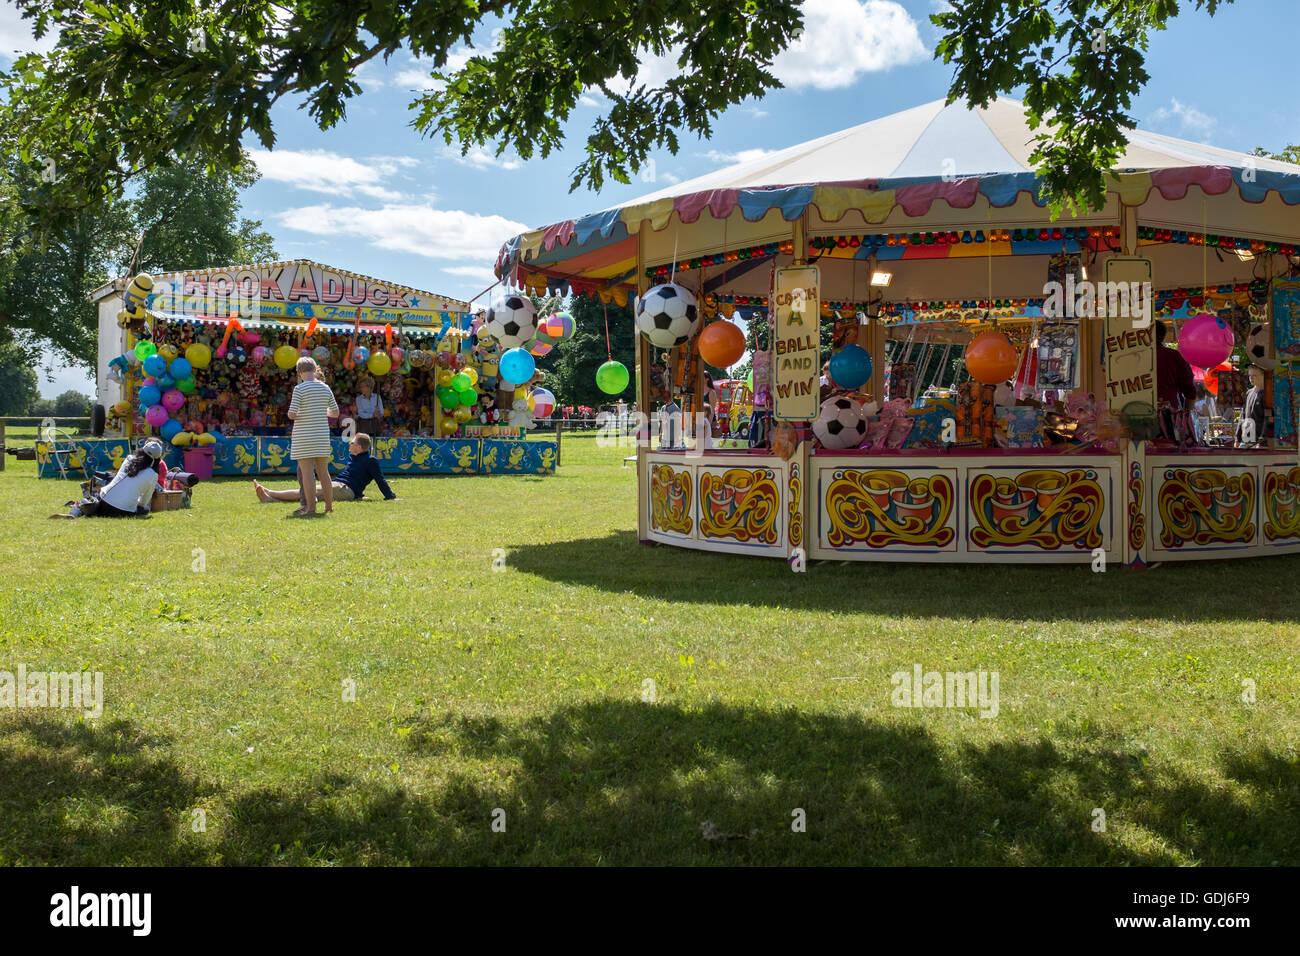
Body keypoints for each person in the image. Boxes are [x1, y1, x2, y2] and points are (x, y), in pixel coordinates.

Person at [254, 433, 396, 504]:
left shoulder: (370, 460)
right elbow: (357, 477)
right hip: (341, 486)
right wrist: (359, 495)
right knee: (308, 490)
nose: (349, 444)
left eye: (352, 443)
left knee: (308, 490)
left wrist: (390, 497)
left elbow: (380, 480)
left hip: (344, 488)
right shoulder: (355, 457)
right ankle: (271, 498)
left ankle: (270, 494)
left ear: (359, 447)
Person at [51, 439, 165, 518]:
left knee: (91, 501)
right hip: (125, 511)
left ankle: (74, 513)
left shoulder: (129, 459)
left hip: (105, 501)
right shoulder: (153, 475)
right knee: (145, 509)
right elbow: (145, 500)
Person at [287, 356, 339, 516]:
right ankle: (329, 507)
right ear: (315, 369)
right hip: (321, 434)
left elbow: (292, 414)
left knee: (307, 474)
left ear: (300, 371)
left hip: (304, 436)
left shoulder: (299, 389)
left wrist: (304, 413)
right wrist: (321, 411)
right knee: (324, 472)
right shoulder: (325, 387)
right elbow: (335, 413)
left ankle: (310, 508)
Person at [1155, 321, 1196, 445]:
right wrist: (1186, 417)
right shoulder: (1174, 356)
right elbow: (1190, 391)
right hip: (1166, 420)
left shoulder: (1129, 357)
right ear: (1162, 337)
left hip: (1132, 419)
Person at [1236, 365, 1269, 448]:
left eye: (1254, 375)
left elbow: (1268, 418)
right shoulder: (1248, 393)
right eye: (1249, 375)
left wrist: (1262, 441)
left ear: (1263, 375)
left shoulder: (1268, 394)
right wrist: (1237, 438)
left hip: (1259, 442)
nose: (1251, 378)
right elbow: (1242, 416)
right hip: (1246, 439)